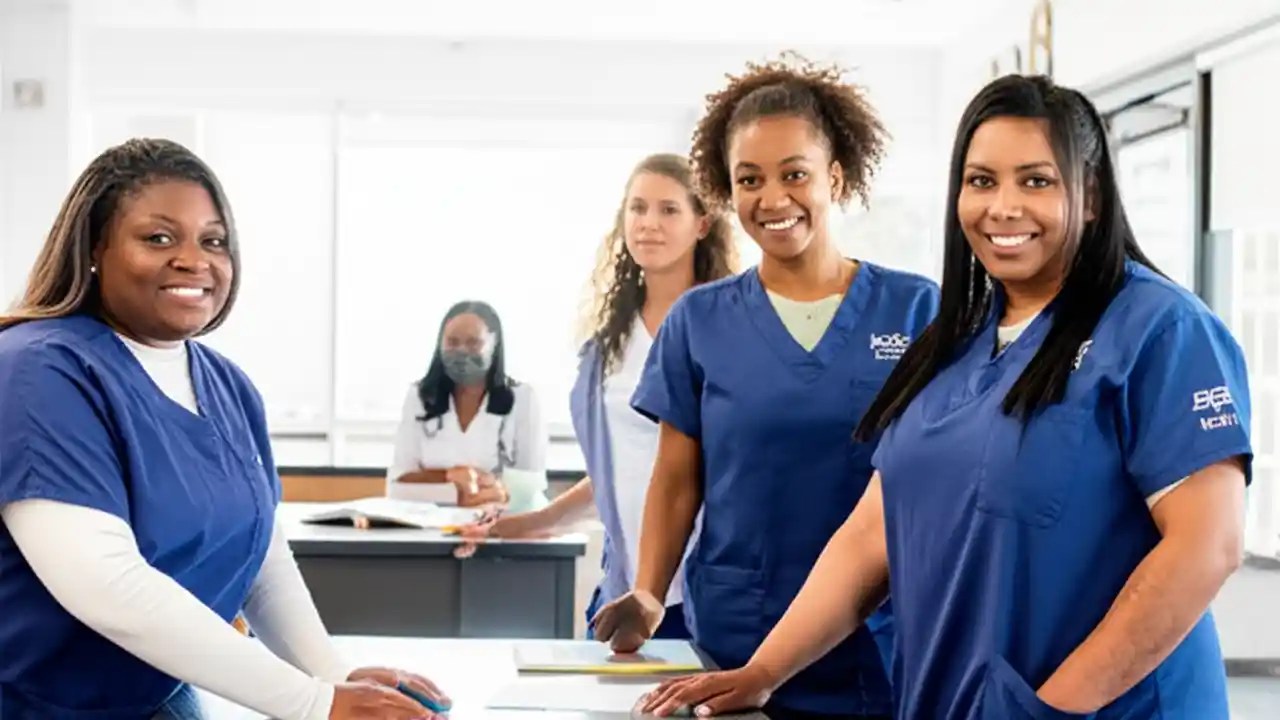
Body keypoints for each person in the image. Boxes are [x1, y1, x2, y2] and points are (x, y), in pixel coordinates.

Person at [640, 74, 1251, 720]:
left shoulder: (1160, 329)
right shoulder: (951, 345)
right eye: (982, 181)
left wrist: (1049, 712)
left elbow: (1206, 546)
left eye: (1036, 181)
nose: (1003, 207)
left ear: (1091, 196)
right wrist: (766, 670)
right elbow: (871, 534)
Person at [0, 138, 448, 720]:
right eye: (158, 238)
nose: (194, 260)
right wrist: (315, 703)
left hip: (155, 698)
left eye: (213, 241)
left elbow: (261, 557)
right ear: (94, 249)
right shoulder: (38, 370)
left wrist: (331, 674)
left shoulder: (226, 384)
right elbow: (105, 586)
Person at [590, 55, 940, 719]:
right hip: (735, 640)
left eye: (795, 174)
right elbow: (676, 477)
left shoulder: (917, 311)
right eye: (749, 179)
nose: (772, 198)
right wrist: (647, 590)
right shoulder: (700, 321)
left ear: (834, 177)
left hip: (880, 638)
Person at [461, 153, 737, 636]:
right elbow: (618, 470)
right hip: (625, 591)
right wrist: (529, 523)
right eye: (638, 208)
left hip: (708, 594)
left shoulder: (728, 329)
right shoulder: (609, 343)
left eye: (669, 210)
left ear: (702, 224)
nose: (649, 224)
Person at [386, 300, 545, 507]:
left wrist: (499, 493)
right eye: (452, 342)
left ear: (494, 345)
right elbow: (398, 485)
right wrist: (451, 476)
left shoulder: (523, 398)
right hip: (426, 525)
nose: (461, 352)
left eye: (473, 343)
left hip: (497, 526)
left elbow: (529, 488)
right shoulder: (419, 396)